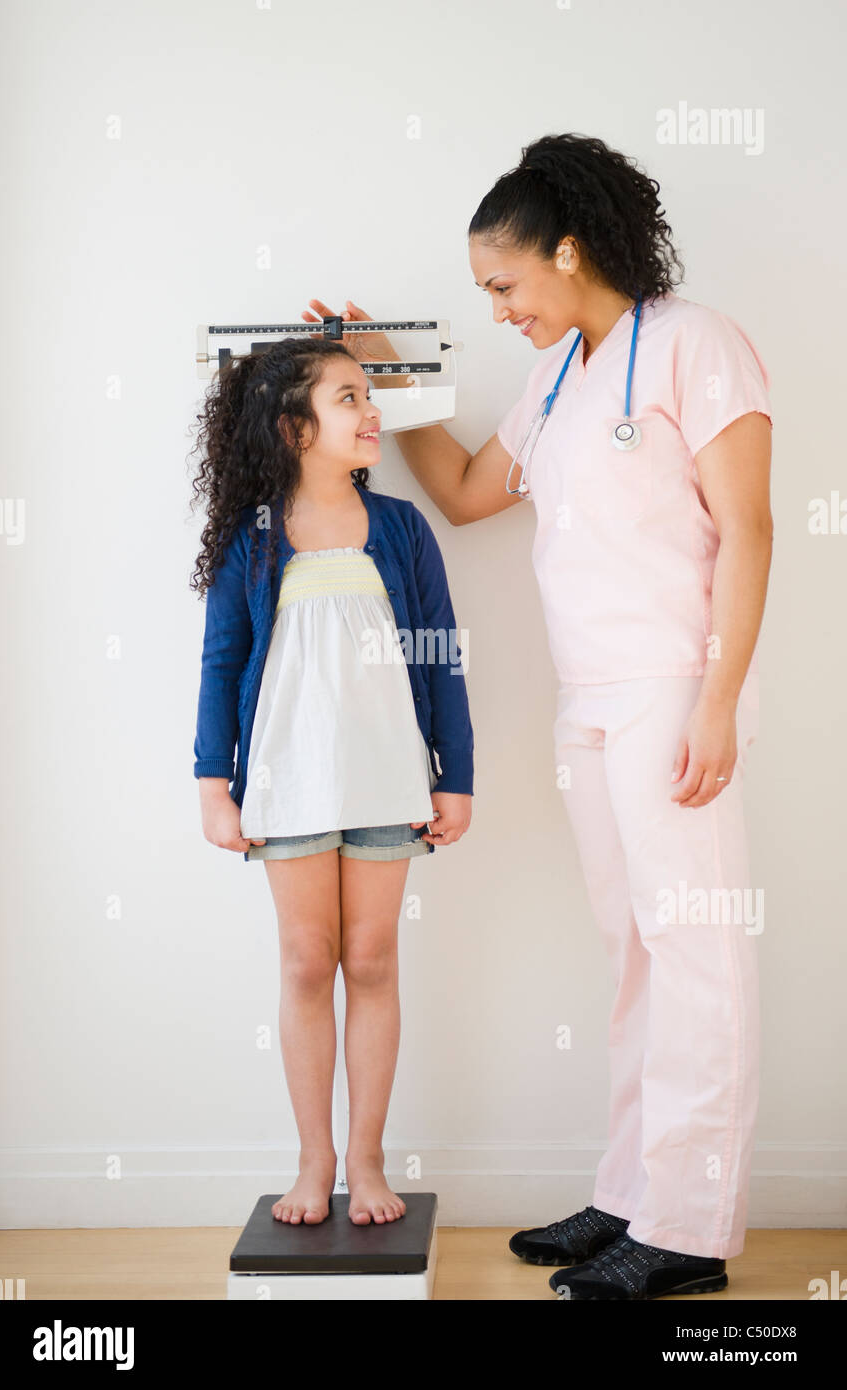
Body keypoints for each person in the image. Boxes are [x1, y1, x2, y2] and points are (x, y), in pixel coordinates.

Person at [302, 131, 773, 1299]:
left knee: (696, 957)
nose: (501, 310)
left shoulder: (696, 345)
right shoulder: (560, 378)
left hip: (674, 690)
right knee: (633, 955)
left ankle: (692, 1229)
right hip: (590, 704)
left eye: (505, 286)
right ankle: (631, 1195)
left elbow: (753, 530)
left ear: (568, 250)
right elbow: (464, 494)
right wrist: (387, 376)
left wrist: (718, 699)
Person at [188, 338, 474, 1227]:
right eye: (349, 398)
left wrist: (454, 773)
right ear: (294, 428)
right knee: (309, 962)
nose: (371, 413)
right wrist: (213, 782)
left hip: (390, 780)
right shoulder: (255, 537)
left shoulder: (400, 528)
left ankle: (369, 1161)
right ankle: (313, 1161)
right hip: (287, 782)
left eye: (369, 395)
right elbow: (221, 659)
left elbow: (442, 654)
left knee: (375, 960)